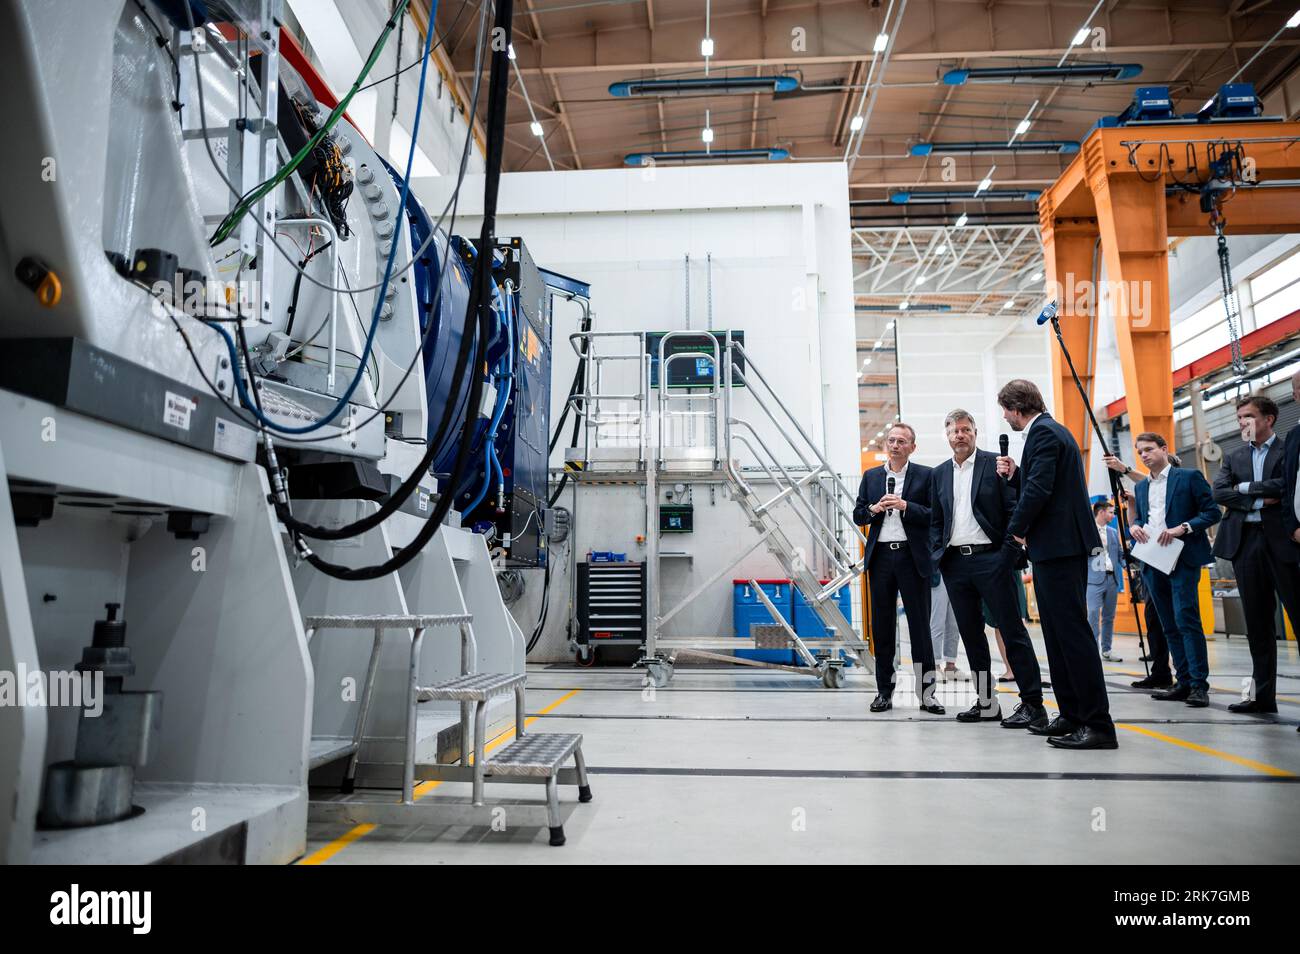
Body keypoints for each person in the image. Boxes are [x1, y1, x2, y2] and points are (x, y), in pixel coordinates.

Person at [996, 379, 1117, 749]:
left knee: (1073, 636)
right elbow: (1042, 483)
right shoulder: (1048, 433)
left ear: (1017, 408)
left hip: (1061, 547)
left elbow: (1040, 490)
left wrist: (1014, 533)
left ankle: (1097, 724)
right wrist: (1017, 475)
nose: (1005, 418)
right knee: (1057, 635)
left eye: (1005, 410)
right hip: (1053, 547)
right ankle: (1071, 714)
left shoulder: (1044, 434)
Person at [929, 408, 1046, 728]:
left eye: (966, 429)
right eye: (954, 431)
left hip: (992, 559)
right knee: (971, 635)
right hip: (955, 564)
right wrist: (937, 555)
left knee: (1012, 632)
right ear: (947, 436)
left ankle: (1033, 704)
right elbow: (936, 520)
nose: (960, 435)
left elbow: (1015, 509)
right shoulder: (938, 474)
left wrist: (1007, 554)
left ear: (975, 433)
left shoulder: (996, 465)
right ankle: (985, 702)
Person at [1105, 432, 1220, 708]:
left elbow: (1213, 512)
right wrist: (1134, 526)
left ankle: (1198, 684)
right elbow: (1144, 518)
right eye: (1140, 452)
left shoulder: (1188, 477)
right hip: (1152, 560)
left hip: (1182, 557)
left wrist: (1184, 528)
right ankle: (1181, 681)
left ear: (1164, 449)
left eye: (1149, 450)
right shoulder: (1143, 487)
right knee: (1167, 623)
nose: (1144, 455)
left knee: (1186, 619)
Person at [1212, 394, 1299, 716]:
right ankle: (1263, 697)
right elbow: (1219, 491)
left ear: (1268, 419)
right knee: (1258, 625)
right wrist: (1259, 496)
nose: (1242, 423)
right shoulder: (1234, 457)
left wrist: (1244, 489)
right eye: (1238, 418)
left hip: (1283, 541)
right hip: (1245, 543)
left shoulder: (1288, 451)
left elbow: (1287, 485)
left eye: (1247, 417)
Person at [853, 423, 944, 714]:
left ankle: (927, 695)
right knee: (882, 629)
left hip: (911, 556)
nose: (895, 445)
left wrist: (905, 505)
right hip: (881, 558)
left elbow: (935, 515)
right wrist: (873, 510)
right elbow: (858, 515)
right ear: (886, 445)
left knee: (920, 628)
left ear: (912, 447)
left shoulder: (926, 476)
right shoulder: (871, 477)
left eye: (901, 441)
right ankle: (884, 692)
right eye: (891, 440)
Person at [1087, 501, 1124, 661]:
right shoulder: (1087, 530)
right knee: (1093, 614)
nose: (1113, 515)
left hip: (1112, 579)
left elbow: (1120, 554)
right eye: (1110, 512)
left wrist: (1130, 566)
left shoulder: (1113, 532)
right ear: (1101, 512)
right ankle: (1091, 649)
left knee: (1109, 616)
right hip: (1093, 580)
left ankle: (1106, 650)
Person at [930, 578, 965, 680]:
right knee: (937, 623)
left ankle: (951, 666)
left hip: (954, 573)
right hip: (939, 575)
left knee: (954, 625)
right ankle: (935, 666)